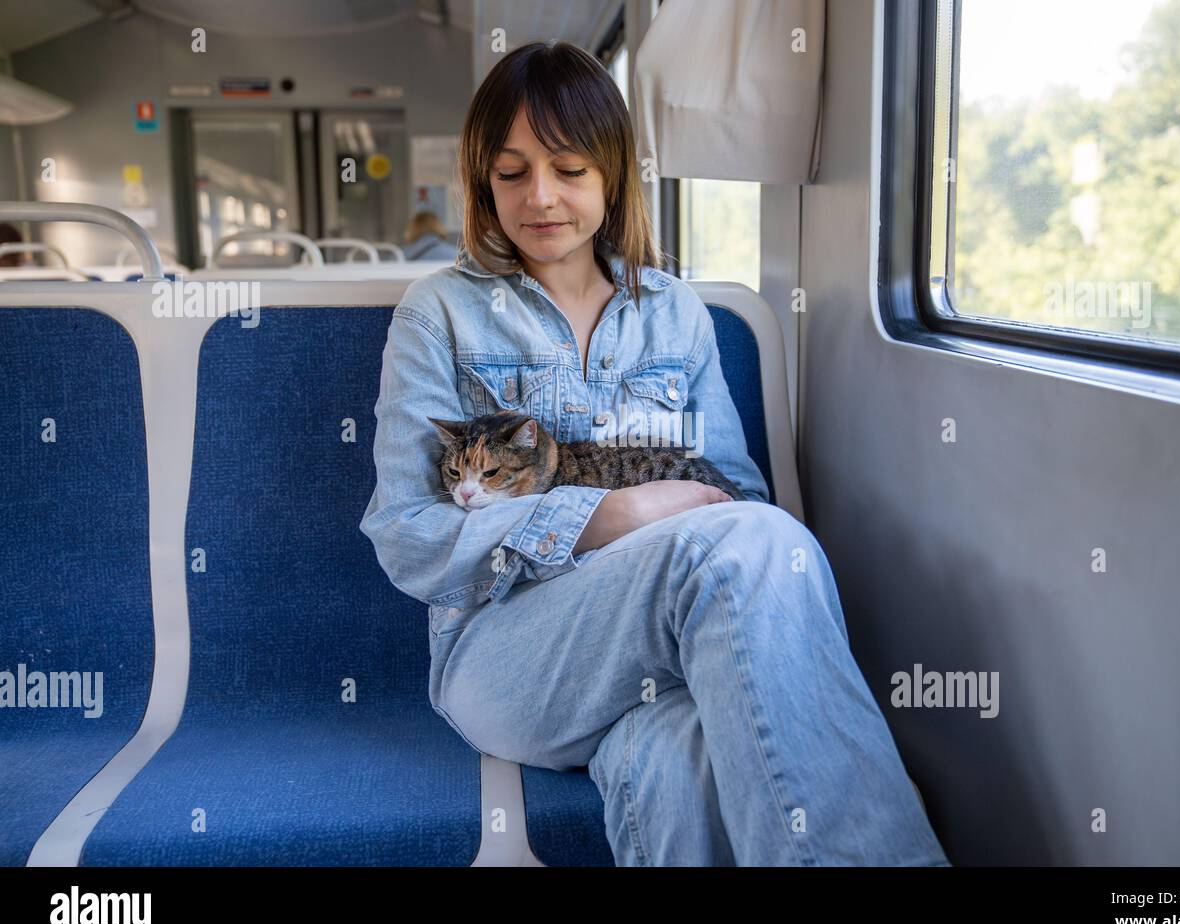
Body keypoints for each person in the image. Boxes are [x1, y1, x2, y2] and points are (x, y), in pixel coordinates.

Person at [360, 40, 949, 866]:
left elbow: (734, 497)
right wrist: (603, 515)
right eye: (510, 172)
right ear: (481, 182)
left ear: (611, 174)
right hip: (505, 651)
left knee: (679, 759)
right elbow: (408, 536)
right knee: (757, 550)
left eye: (568, 168)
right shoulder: (439, 315)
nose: (540, 198)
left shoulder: (676, 312)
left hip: (664, 643)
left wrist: (672, 537)